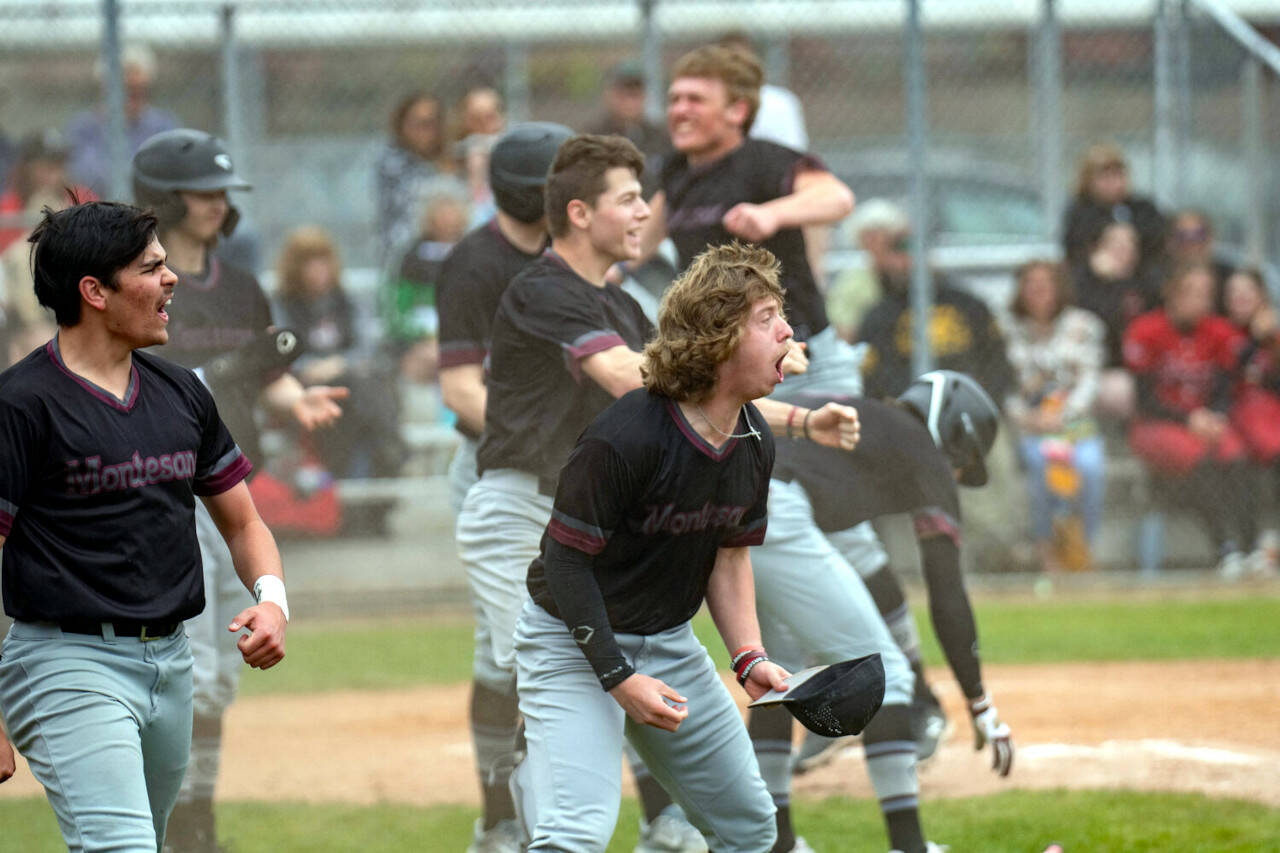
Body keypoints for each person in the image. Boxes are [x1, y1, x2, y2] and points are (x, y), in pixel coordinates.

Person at [457, 133, 857, 853]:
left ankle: (650, 819)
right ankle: (513, 825)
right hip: (526, 505)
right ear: (580, 212)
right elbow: (641, 383)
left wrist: (790, 413)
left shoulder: (626, 308)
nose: (648, 210)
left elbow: (706, 424)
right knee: (549, 707)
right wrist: (739, 358)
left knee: (748, 825)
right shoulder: (548, 293)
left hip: (629, 557)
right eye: (630, 197)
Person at [0, 200, 287, 851]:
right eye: (150, 267)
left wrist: (272, 600)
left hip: (169, 661)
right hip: (65, 659)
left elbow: (244, 524)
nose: (171, 278)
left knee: (142, 843)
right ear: (94, 290)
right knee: (120, 844)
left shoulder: (183, 391)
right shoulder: (21, 405)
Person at [510, 241, 795, 853]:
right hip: (571, 642)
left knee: (750, 828)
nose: (787, 332)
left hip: (666, 644)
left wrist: (747, 656)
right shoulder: (627, 435)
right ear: (720, 337)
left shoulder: (751, 438)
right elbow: (565, 562)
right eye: (766, 318)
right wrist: (616, 675)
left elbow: (730, 554)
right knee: (574, 834)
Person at [130, 128, 346, 853]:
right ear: (164, 198)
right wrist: (226, 375)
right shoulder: (140, 281)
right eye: (204, 193)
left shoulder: (242, 284)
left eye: (225, 193)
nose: (220, 205)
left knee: (220, 670)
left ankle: (196, 825)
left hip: (231, 485)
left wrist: (296, 399)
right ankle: (169, 826)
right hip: (164, 490)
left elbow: (262, 373)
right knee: (189, 661)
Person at [748, 372, 1013, 853]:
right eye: (961, 464)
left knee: (778, 674)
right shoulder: (920, 448)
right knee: (887, 671)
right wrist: (978, 701)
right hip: (776, 506)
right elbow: (946, 590)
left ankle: (775, 842)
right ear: (955, 434)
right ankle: (907, 846)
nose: (952, 475)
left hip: (729, 499)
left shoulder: (872, 418)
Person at [435, 118, 573, 853]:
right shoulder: (473, 262)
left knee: (614, 633)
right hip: (497, 473)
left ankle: (660, 817)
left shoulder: (575, 257)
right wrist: (542, 430)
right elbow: (460, 390)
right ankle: (499, 818)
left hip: (575, 473)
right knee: (511, 651)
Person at [639, 42, 859, 401]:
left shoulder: (766, 161)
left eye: (695, 99)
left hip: (802, 366)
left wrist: (771, 213)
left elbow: (838, 199)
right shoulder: (676, 173)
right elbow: (634, 244)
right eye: (674, 99)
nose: (679, 110)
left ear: (737, 110)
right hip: (725, 370)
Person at [1124, 261, 1255, 576]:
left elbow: (1225, 387)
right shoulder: (1146, 329)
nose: (1200, 301)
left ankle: (1252, 550)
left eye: (1205, 294)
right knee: (1200, 461)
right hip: (1157, 424)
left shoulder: (1218, 330)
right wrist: (1190, 419)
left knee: (1236, 456)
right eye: (1191, 293)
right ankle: (1226, 549)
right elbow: (1145, 401)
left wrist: (1217, 417)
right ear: (1171, 293)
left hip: (1205, 421)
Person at [273, 226, 403, 496]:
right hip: (305, 390)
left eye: (323, 262)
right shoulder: (283, 304)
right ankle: (392, 446)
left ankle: (376, 463)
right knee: (362, 391)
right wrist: (313, 367)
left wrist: (336, 364)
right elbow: (279, 352)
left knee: (362, 383)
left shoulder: (346, 302)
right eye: (311, 264)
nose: (319, 271)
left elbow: (366, 349)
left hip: (350, 388)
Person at [1003, 261, 1107, 572]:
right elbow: (1002, 386)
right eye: (1030, 283)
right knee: (1040, 468)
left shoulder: (1084, 325)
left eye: (1045, 283)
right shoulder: (1006, 329)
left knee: (1089, 468)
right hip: (1030, 427)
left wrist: (1064, 414)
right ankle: (1047, 552)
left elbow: (1090, 379)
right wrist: (1027, 417)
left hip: (1074, 424)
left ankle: (1082, 548)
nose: (1038, 290)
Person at [854, 209, 1013, 404]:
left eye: (914, 250)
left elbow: (997, 364)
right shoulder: (880, 316)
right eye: (898, 252)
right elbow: (871, 379)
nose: (907, 261)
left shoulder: (967, 304)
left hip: (968, 405)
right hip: (908, 412)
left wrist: (981, 400)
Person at [1221, 268, 1280, 578]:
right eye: (1233, 293)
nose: (1240, 298)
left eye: (1247, 292)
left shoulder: (1275, 337)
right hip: (1235, 418)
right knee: (1240, 461)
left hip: (1271, 420)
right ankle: (1248, 546)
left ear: (1262, 297)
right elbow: (1222, 381)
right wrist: (1254, 343)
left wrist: (1269, 341)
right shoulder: (1220, 332)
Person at [65, 43, 179, 197]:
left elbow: (168, 172)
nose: (130, 99)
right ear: (104, 89)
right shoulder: (83, 128)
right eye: (124, 90)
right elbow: (80, 173)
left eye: (137, 91)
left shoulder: (163, 126)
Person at [1071, 220, 1159, 420]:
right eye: (1114, 242)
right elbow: (1096, 325)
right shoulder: (1082, 280)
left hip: (1132, 369)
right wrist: (1101, 280)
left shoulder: (1146, 284)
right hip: (1093, 366)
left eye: (1129, 243)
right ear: (1097, 248)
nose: (1123, 248)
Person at [387, 191, 470, 385]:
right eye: (441, 214)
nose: (447, 221)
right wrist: (424, 336)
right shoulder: (411, 259)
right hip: (419, 343)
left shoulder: (473, 253)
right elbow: (397, 312)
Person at [374, 92, 458, 263]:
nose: (425, 132)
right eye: (418, 124)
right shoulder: (392, 164)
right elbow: (409, 214)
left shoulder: (452, 160)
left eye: (432, 124)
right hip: (405, 255)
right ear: (402, 125)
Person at [1061, 143, 1166, 276]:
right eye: (1104, 177)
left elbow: (1156, 241)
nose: (1113, 183)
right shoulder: (1079, 213)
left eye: (1117, 175)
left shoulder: (1143, 209)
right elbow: (1075, 251)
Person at [0, 129, 98, 253]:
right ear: (26, 170)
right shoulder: (8, 207)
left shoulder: (83, 197)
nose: (55, 176)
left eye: (60, 165)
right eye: (47, 167)